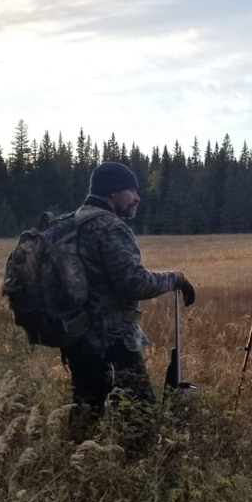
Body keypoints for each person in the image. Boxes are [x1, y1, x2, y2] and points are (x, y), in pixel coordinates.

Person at [62, 161, 196, 444]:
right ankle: (142, 475)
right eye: (131, 190)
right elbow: (136, 282)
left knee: (86, 410)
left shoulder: (71, 223)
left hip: (75, 336)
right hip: (111, 338)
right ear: (112, 193)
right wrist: (177, 278)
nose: (137, 197)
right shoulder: (110, 227)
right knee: (141, 417)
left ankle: (72, 469)